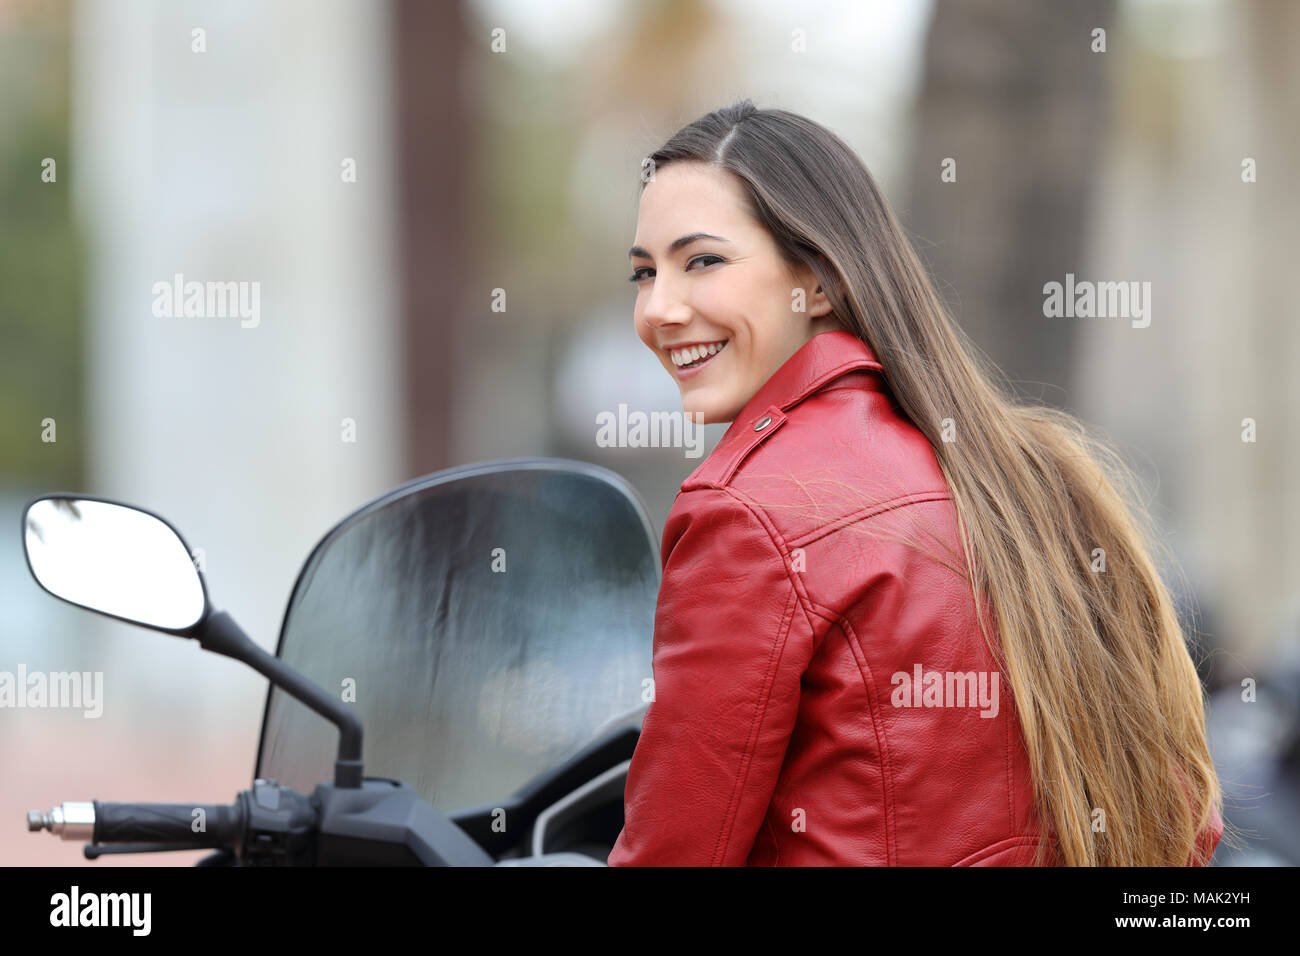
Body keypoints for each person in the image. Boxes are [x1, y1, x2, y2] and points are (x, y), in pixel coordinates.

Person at [606, 99, 1224, 866]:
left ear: (821, 280)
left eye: (703, 261)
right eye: (643, 273)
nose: (660, 309)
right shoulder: (1035, 476)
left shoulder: (748, 514)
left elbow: (675, 852)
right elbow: (1183, 820)